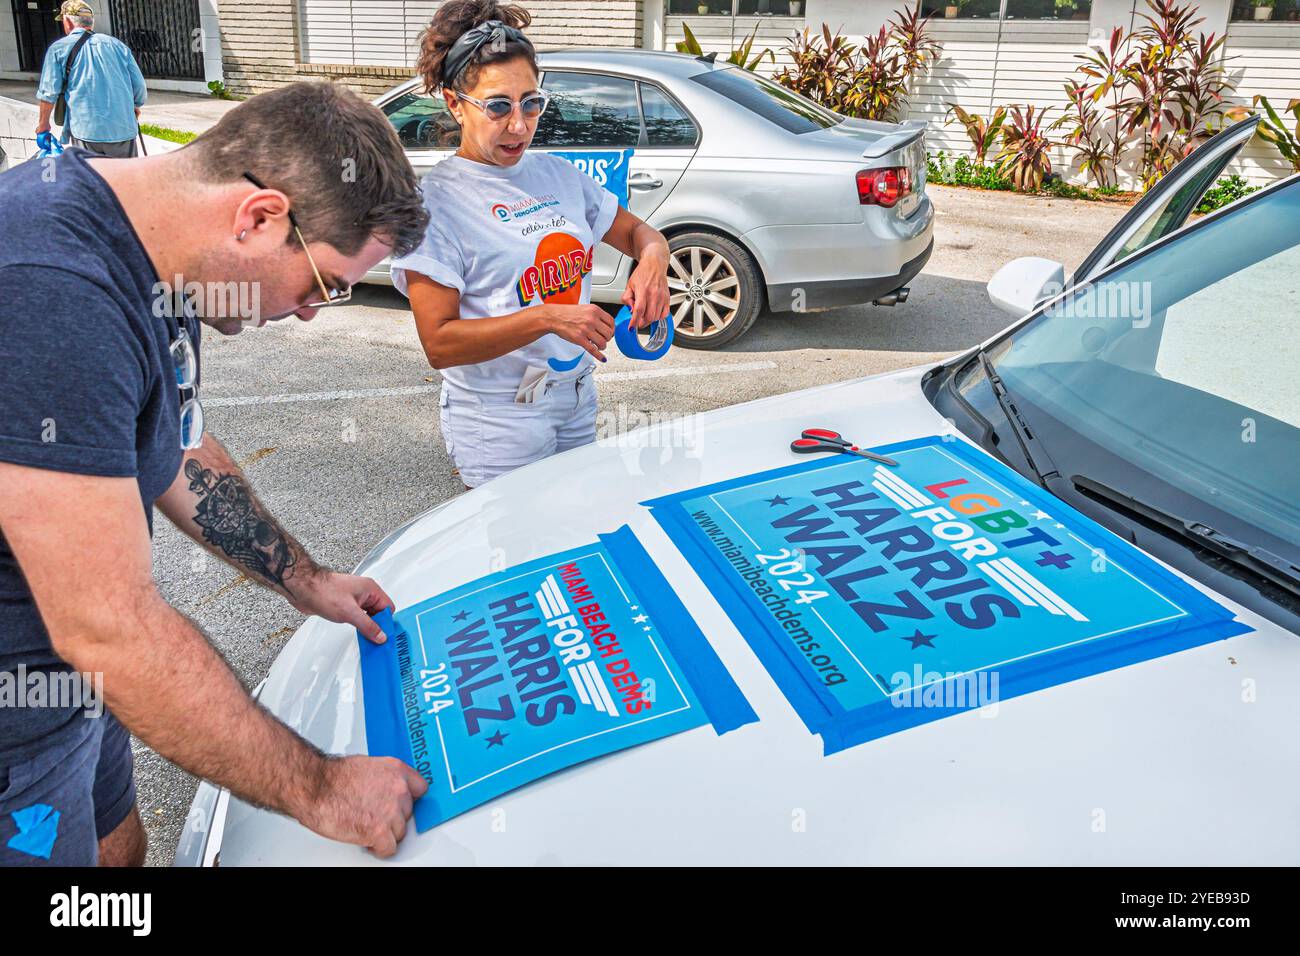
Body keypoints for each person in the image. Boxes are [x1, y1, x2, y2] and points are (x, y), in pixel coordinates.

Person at [0, 82, 432, 866]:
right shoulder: (50, 290)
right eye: (326, 285)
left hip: (71, 690)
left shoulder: (147, 244)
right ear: (261, 217)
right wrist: (324, 790)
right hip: (15, 725)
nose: (310, 312)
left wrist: (300, 576)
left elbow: (170, 443)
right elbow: (109, 628)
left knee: (117, 852)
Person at [394, 0, 672, 489]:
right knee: (512, 550)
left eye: (531, 103)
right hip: (501, 419)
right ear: (456, 103)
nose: (519, 125)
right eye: (498, 106)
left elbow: (637, 233)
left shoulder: (556, 174)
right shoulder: (436, 202)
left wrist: (652, 261)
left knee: (577, 535)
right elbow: (439, 343)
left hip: (576, 395)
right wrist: (546, 316)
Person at [34, 2, 147, 158]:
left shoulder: (59, 48)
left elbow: (48, 92)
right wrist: (134, 105)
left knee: (91, 179)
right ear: (91, 22)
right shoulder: (118, 45)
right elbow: (139, 86)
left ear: (67, 22)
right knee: (123, 180)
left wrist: (43, 124)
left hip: (85, 131)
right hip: (122, 130)